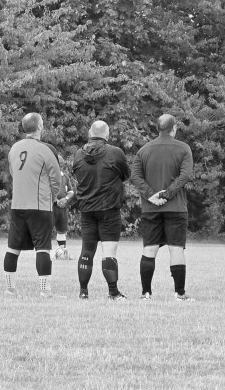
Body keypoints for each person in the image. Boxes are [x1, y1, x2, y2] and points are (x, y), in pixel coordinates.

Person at [131, 113, 194, 301]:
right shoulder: (184, 149)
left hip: (151, 209)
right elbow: (185, 176)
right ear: (174, 128)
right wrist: (167, 194)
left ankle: (146, 293)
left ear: (158, 128)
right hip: (176, 207)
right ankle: (180, 293)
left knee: (149, 249)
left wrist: (151, 195)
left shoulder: (144, 150)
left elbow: (135, 176)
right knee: (176, 249)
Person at [67, 120, 130, 301]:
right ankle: (113, 292)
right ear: (107, 135)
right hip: (109, 208)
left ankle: (83, 292)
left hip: (87, 209)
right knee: (109, 252)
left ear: (90, 134)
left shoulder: (78, 155)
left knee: (86, 251)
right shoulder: (115, 153)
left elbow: (78, 175)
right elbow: (126, 175)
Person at [3, 113, 63, 298]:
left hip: (18, 204)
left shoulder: (14, 148)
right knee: (43, 247)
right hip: (40, 206)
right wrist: (54, 196)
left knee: (13, 247)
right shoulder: (45, 150)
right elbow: (56, 179)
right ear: (39, 127)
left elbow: (13, 172)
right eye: (42, 124)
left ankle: (9, 288)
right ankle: (45, 290)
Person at [53, 154, 76, 260]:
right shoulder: (49, 176)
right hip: (51, 207)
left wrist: (65, 199)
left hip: (63, 208)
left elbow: (71, 191)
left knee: (62, 230)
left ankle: (62, 253)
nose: (59, 165)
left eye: (60, 164)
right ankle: (44, 253)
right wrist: (56, 200)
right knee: (46, 230)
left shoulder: (65, 177)